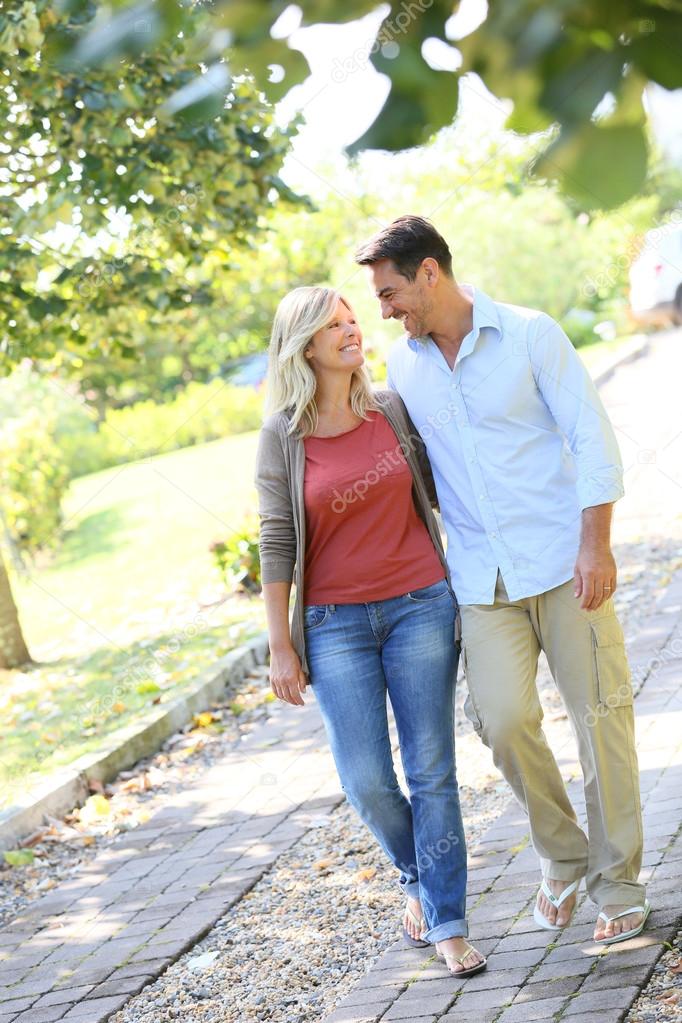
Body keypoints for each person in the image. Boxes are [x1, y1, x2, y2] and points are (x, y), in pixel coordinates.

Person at [356, 215, 649, 946]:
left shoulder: (529, 334)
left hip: (562, 559)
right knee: (501, 718)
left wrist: (597, 544)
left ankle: (619, 881)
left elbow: (590, 437)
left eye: (391, 292)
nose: (385, 309)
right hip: (480, 578)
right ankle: (564, 851)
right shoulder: (406, 366)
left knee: (601, 716)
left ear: (430, 273)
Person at [254, 285, 486, 976]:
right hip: (334, 623)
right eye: (334, 326)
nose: (352, 332)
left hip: (420, 604)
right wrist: (280, 643)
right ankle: (420, 881)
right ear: (304, 345)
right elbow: (275, 540)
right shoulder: (282, 436)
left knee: (432, 773)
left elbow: (445, 491)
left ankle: (446, 920)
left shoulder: (389, 409)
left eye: (354, 320)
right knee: (365, 779)